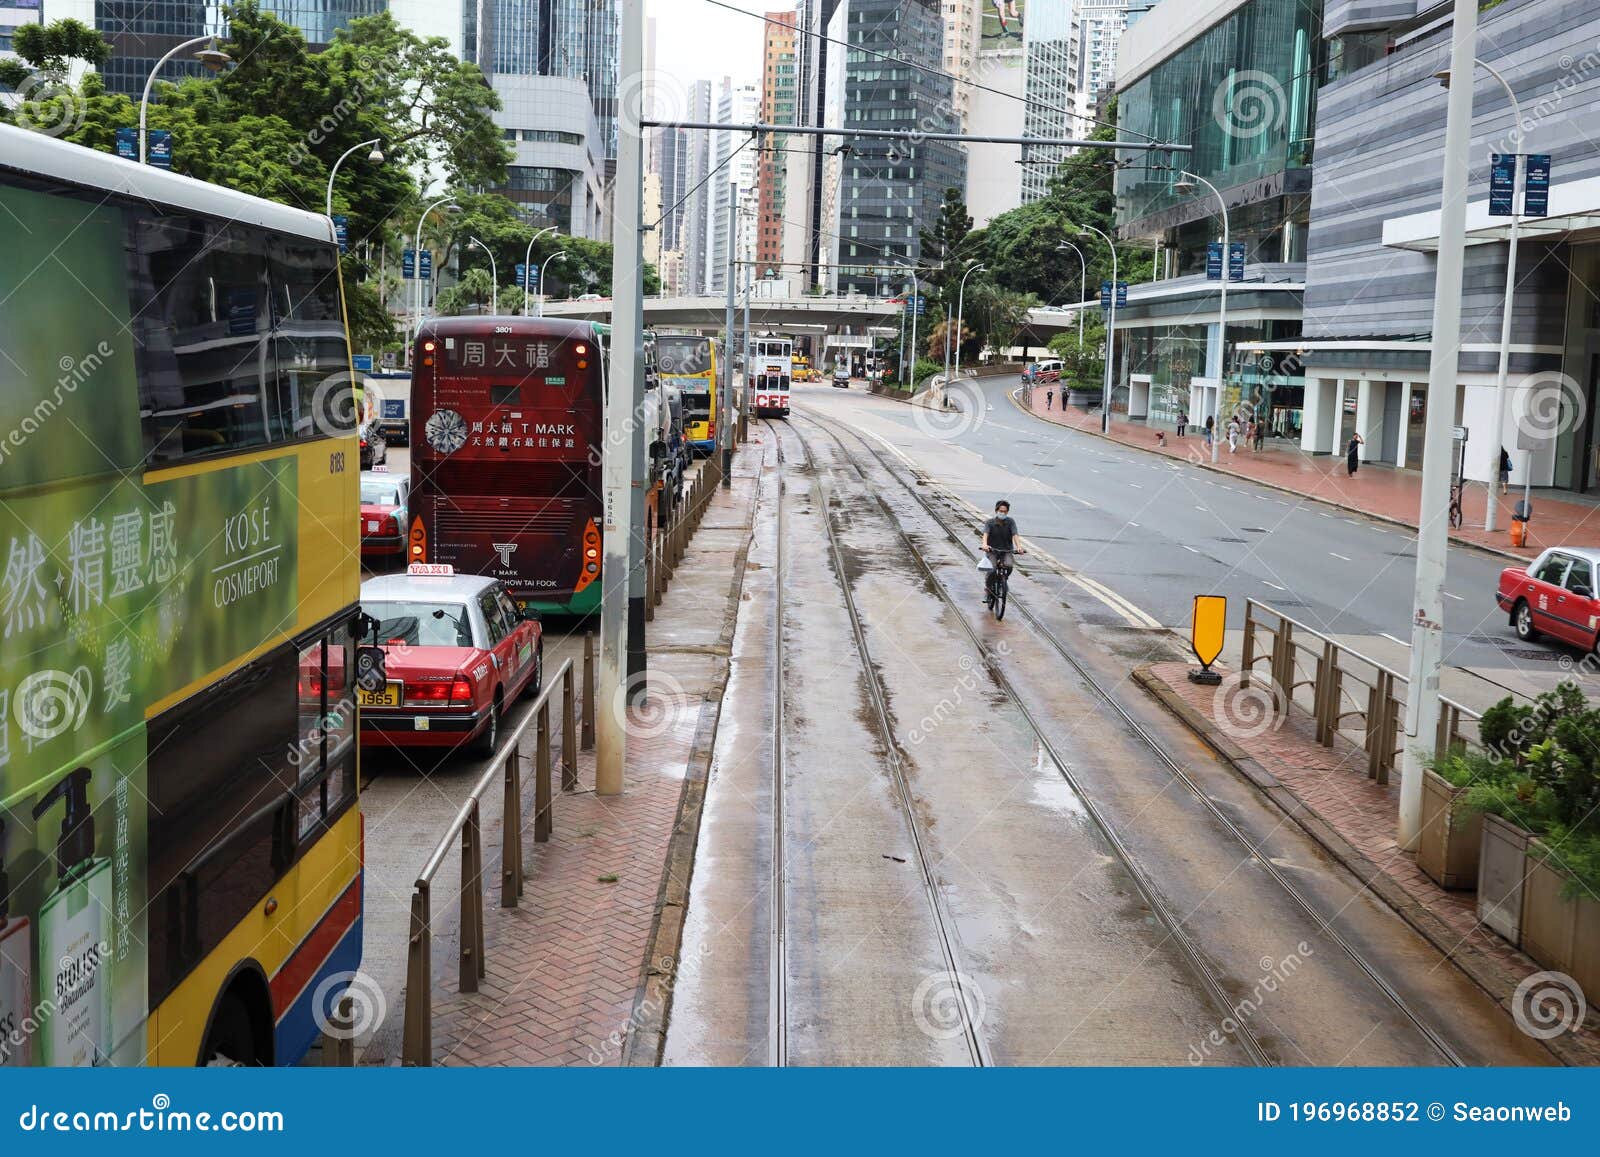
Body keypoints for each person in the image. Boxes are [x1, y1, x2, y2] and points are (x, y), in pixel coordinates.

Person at [980, 499, 1025, 605]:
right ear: (996, 510)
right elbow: (985, 535)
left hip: (1006, 550)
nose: (1003, 513)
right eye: (1001, 510)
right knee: (992, 569)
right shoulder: (989, 523)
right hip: (992, 551)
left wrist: (1019, 547)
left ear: (1007, 512)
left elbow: (1015, 535)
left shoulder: (1011, 522)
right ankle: (988, 590)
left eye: (1005, 511)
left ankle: (1003, 581)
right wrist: (985, 545)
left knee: (1009, 566)